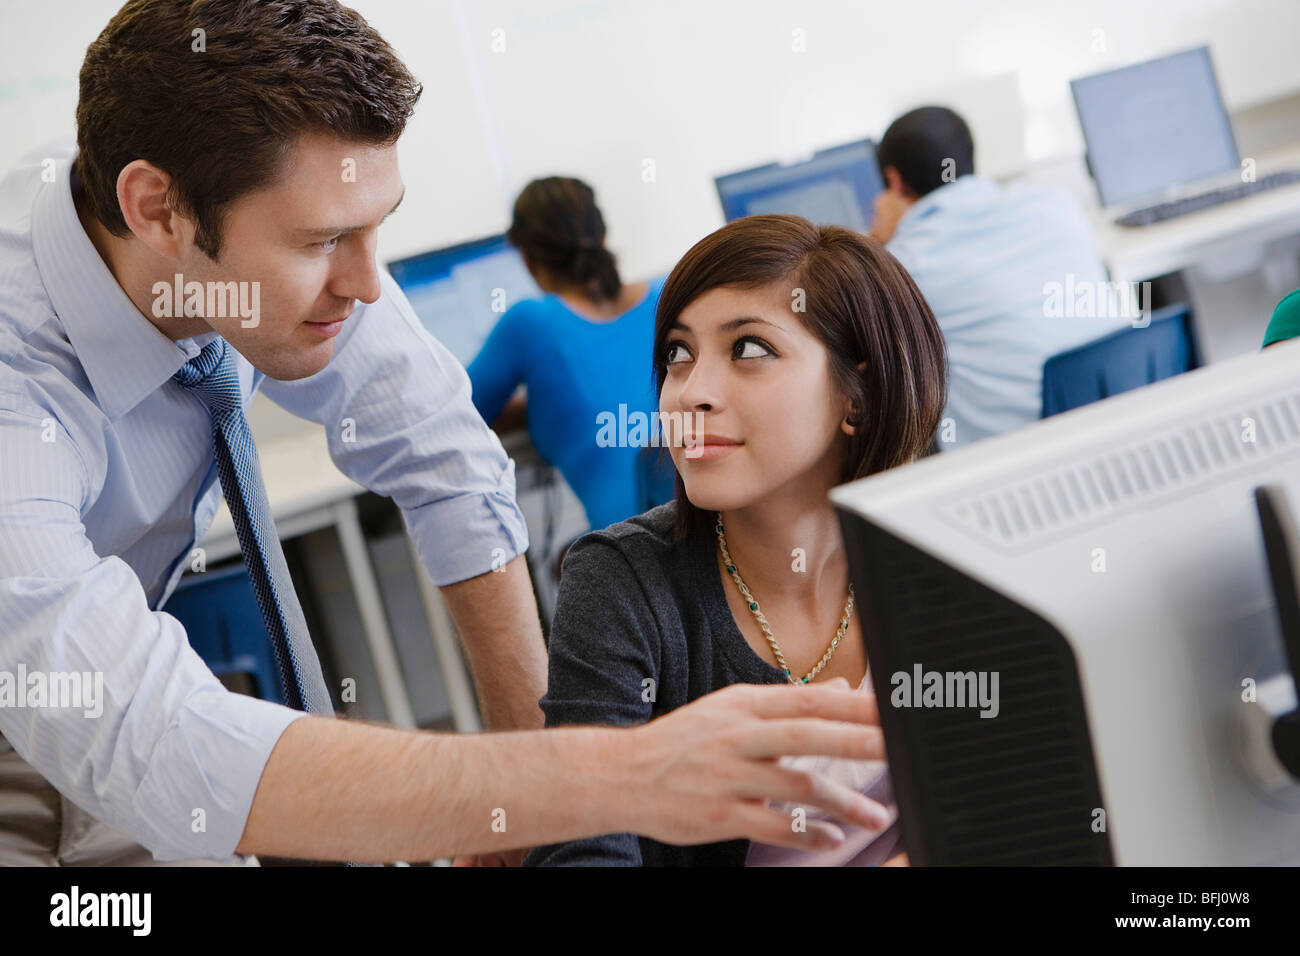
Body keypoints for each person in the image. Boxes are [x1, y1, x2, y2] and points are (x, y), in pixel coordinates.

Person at [0, 0, 892, 866]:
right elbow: (148, 732)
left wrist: (524, 791)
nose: (368, 288)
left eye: (376, 229)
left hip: (127, 695)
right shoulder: (17, 382)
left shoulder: (190, 209)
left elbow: (443, 450)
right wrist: (599, 777)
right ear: (158, 211)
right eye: (322, 242)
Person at [525, 214, 945, 865]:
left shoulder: (941, 555)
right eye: (677, 355)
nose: (690, 394)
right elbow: (581, 851)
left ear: (855, 398)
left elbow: (1034, 785)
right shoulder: (620, 584)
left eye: (749, 350)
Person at [869, 106, 1130, 449]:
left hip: (1018, 458)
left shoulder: (904, 266)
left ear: (893, 181)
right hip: (1123, 416)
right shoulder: (1056, 203)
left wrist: (879, 244)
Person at [468, 177, 670, 532]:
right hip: (722, 529)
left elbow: (459, 414)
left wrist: (537, 409)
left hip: (637, 555)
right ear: (604, 238)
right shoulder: (670, 292)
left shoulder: (531, 321)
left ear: (528, 261)